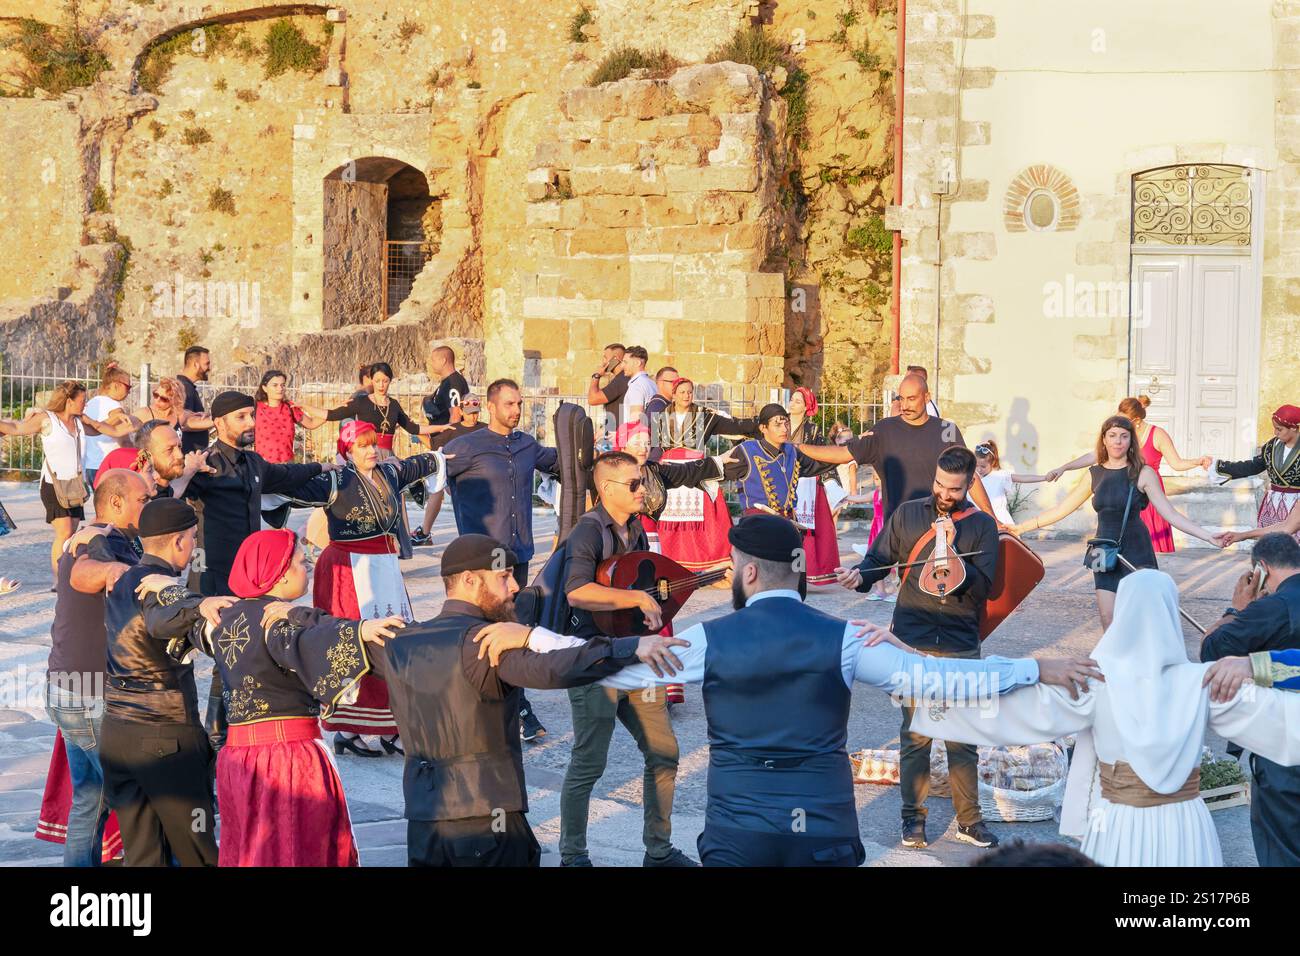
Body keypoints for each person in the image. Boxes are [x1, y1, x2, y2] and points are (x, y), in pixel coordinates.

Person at [570, 513, 1103, 867]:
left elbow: (614, 672)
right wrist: (1038, 668)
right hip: (822, 829)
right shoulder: (847, 639)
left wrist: (525, 641)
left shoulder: (706, 639)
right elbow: (941, 680)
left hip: (739, 831)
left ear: (748, 572)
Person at [909, 569, 1300, 866]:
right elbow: (1282, 719)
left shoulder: (1094, 680)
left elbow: (1015, 711)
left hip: (1117, 823)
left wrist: (931, 694)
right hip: (1186, 824)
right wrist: (1260, 668)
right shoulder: (1202, 682)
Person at [366, 533, 688, 867]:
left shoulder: (398, 641)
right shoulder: (491, 643)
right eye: (503, 577)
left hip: (424, 822)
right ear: (469, 580)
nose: (515, 587)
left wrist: (360, 630)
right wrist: (627, 648)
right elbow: (554, 668)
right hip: (489, 822)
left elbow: (313, 634)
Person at [145, 529, 406, 866]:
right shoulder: (282, 623)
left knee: (252, 854)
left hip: (236, 761)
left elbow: (184, 613)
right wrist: (359, 631)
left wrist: (164, 587)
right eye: (300, 561)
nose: (308, 565)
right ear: (279, 575)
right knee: (298, 852)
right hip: (288, 762)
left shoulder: (223, 617)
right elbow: (326, 638)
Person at [557, 450, 721, 867]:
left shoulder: (635, 528)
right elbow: (576, 591)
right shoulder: (587, 533)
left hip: (635, 656)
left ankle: (659, 852)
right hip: (593, 659)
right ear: (606, 488)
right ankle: (572, 856)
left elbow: (645, 579)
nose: (642, 489)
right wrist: (632, 596)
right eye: (633, 484)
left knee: (664, 752)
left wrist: (684, 585)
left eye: (643, 480)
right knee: (589, 763)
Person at [836, 445, 1002, 849]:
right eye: (941, 485)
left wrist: (953, 550)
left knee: (963, 737)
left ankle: (969, 821)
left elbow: (987, 588)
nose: (946, 494)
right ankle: (913, 821)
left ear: (969, 484)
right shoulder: (909, 514)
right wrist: (858, 577)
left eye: (955, 489)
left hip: (961, 640)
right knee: (916, 736)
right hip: (911, 639)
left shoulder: (982, 526)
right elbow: (879, 557)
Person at [181, 391, 339, 751]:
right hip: (212, 577)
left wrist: (321, 467)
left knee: (237, 659)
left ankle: (226, 739)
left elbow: (285, 475)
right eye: (241, 417)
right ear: (218, 423)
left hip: (251, 581)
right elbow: (169, 492)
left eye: (251, 415)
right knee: (222, 657)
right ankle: (214, 743)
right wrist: (187, 468)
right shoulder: (206, 465)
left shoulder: (253, 464)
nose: (250, 423)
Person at [286, 420, 448, 757]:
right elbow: (287, 485)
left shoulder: (389, 474)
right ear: (347, 450)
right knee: (352, 642)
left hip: (385, 567)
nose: (371, 450)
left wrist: (447, 455)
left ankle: (393, 726)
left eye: (373, 443)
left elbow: (423, 463)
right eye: (362, 445)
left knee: (395, 640)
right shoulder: (336, 480)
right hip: (347, 570)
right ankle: (346, 727)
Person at [96, 498, 233, 866]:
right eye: (192, 537)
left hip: (118, 736)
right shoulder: (159, 589)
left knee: (142, 857)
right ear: (179, 542)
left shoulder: (125, 578)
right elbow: (162, 620)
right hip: (166, 739)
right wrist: (193, 601)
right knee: (199, 854)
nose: (194, 547)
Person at [1010, 415, 1222, 628]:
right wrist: (1020, 528)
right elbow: (1062, 509)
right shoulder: (1094, 473)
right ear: (1104, 439)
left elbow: (1171, 514)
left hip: (1136, 549)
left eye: (1123, 436)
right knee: (1107, 617)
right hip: (1103, 550)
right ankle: (1112, 662)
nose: (1117, 441)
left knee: (1140, 617)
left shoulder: (1143, 473)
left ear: (1131, 441)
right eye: (1112, 435)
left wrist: (1209, 537)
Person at [42, 469, 151, 866]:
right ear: (117, 503)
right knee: (138, 798)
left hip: (68, 689)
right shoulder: (99, 541)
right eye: (144, 500)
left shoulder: (110, 538)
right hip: (88, 697)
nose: (150, 506)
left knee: (90, 801)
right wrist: (108, 572)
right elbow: (85, 573)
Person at [443, 378, 559, 741]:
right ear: (491, 407)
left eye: (519, 404)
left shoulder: (526, 445)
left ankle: (513, 704)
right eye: (509, 404)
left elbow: (563, 462)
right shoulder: (465, 446)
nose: (516, 411)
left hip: (517, 552)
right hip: (481, 557)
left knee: (511, 626)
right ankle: (486, 702)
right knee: (477, 625)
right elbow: (431, 474)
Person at [1197, 532, 1300, 865]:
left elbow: (1211, 650)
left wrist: (1236, 609)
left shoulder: (1270, 608)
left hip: (1282, 746)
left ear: (1262, 570)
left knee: (1281, 848)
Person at [796, 373, 1001, 530]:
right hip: (902, 526)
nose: (905, 405)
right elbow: (843, 454)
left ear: (927, 397)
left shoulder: (947, 431)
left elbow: (969, 476)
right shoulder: (885, 430)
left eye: (911, 399)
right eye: (901, 399)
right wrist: (799, 447)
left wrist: (992, 518)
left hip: (944, 525)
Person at [301, 362, 443, 560]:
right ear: (372, 381)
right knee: (355, 500)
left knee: (391, 503)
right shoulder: (361, 402)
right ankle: (312, 534)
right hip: (365, 456)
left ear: (390, 381)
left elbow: (413, 428)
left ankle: (393, 550)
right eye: (377, 381)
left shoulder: (393, 405)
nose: (381, 385)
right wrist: (303, 406)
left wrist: (443, 428)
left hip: (388, 457)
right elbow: (332, 415)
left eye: (385, 381)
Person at [1044, 396, 1212, 553]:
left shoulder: (1157, 434)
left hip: (1148, 494)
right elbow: (1093, 456)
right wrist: (1064, 467)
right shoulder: (1119, 437)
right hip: (1125, 493)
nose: (1119, 425)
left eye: (1124, 420)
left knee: (1148, 549)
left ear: (1136, 421)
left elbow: (1176, 463)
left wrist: (1197, 461)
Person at [2, 381, 132, 578]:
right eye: (82, 400)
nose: (85, 404)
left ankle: (66, 575)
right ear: (69, 401)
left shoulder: (80, 421)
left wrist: (125, 420)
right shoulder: (48, 419)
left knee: (71, 534)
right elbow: (17, 427)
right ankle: (59, 579)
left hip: (75, 485)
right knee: (63, 533)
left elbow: (105, 430)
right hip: (53, 484)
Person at [718, 403, 845, 588]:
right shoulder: (746, 451)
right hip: (758, 529)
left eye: (786, 423)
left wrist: (855, 450)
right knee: (759, 586)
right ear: (763, 428)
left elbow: (821, 463)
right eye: (777, 424)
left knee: (797, 584)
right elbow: (716, 472)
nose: (784, 428)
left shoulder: (793, 452)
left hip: (791, 529)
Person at [649, 376, 756, 572]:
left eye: (689, 391)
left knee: (709, 516)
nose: (686, 395)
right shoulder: (660, 416)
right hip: (670, 471)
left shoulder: (704, 415)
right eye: (681, 392)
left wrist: (759, 424)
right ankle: (671, 562)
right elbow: (656, 448)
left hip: (698, 469)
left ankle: (709, 562)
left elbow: (733, 426)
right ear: (673, 395)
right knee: (668, 516)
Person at [1214, 403, 1300, 545]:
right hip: (1274, 504)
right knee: (1271, 545)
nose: (1275, 433)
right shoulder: (1272, 446)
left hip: (1296, 504)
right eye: (1275, 428)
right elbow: (1253, 466)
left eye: (1279, 429)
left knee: (1292, 546)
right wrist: (1222, 467)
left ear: (1294, 428)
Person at [786, 387, 844, 590]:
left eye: (798, 401)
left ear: (806, 407)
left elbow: (823, 457)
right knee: (784, 529)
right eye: (792, 399)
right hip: (783, 482)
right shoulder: (780, 424)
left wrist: (831, 484)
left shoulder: (813, 431)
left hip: (807, 485)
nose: (792, 404)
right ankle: (783, 575)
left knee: (805, 533)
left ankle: (802, 575)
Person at [412, 346, 471, 546]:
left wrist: (448, 445)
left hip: (446, 443)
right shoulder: (448, 383)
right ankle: (426, 531)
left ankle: (469, 529)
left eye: (434, 360)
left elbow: (455, 414)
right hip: (442, 441)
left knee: (446, 487)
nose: (431, 363)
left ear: (444, 360)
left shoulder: (453, 382)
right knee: (440, 486)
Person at [82, 365, 140, 490]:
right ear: (115, 385)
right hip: (108, 466)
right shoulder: (115, 407)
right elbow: (124, 441)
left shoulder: (90, 404)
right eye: (128, 387)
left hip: (90, 466)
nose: (129, 391)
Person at [973, 439, 1047, 526]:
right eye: (976, 465)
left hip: (1000, 521)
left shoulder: (1000, 476)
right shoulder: (972, 478)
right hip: (979, 522)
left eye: (983, 466)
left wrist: (1044, 477)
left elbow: (1023, 478)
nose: (979, 469)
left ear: (993, 462)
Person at [129, 376, 211, 442]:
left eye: (163, 399)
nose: (157, 400)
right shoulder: (145, 413)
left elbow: (214, 421)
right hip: (148, 458)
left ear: (174, 400)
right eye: (156, 395)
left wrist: (207, 414)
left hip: (173, 460)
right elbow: (119, 428)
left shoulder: (180, 415)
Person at [586, 343, 629, 442]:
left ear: (616, 359)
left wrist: (596, 376)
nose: (603, 362)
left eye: (605, 358)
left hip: (616, 436)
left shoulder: (621, 380)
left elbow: (592, 399)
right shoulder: (621, 378)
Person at [175, 345, 213, 454]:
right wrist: (217, 421)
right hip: (189, 455)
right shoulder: (185, 388)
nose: (209, 368)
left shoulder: (186, 387)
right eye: (207, 364)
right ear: (196, 365)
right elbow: (184, 423)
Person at [619, 346, 657, 428]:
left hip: (635, 438)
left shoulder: (636, 385)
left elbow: (636, 419)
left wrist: (619, 434)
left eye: (625, 362)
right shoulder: (652, 384)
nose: (622, 366)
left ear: (638, 363)